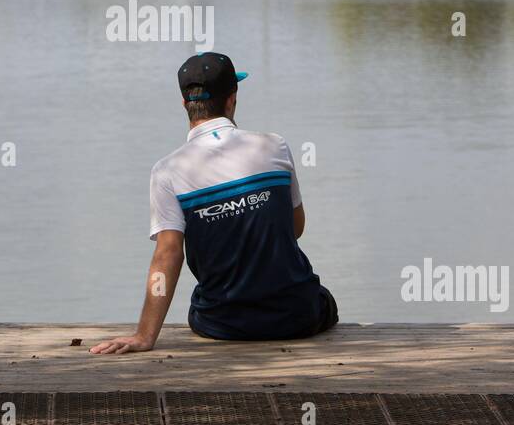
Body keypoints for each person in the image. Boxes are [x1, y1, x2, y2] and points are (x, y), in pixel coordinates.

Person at [91, 53, 338, 354]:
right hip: (298, 317)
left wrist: (144, 335)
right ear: (231, 99)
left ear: (185, 104)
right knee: (322, 297)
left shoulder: (166, 171)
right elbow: (295, 228)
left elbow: (167, 255)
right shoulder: (274, 145)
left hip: (221, 323)